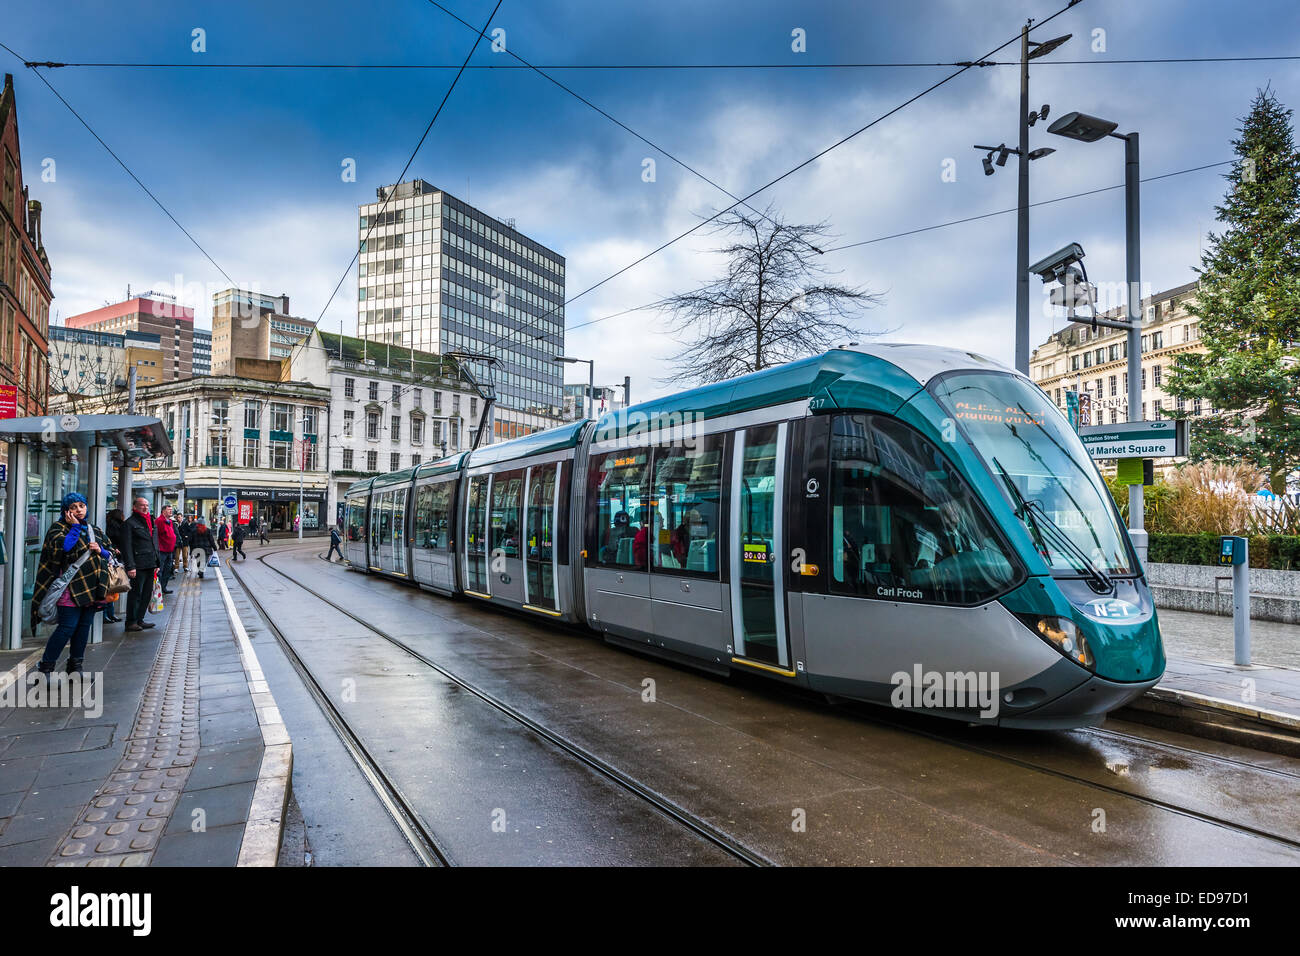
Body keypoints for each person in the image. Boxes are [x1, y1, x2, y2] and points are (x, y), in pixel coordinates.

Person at [31, 493, 118, 675]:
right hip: (69, 588)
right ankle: (45, 668)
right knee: (67, 627)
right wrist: (75, 528)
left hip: (92, 587)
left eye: (81, 505)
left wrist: (100, 550)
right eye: (73, 507)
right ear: (66, 511)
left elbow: (111, 554)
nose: (79, 510)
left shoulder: (94, 529)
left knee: (83, 627)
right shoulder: (58, 528)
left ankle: (75, 666)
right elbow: (64, 549)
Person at [121, 496, 159, 632]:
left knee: (146, 594)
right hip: (138, 565)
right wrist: (130, 566)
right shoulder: (129, 523)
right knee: (136, 594)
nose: (145, 508)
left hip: (150, 563)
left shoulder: (150, 522)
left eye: (147, 505)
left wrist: (157, 562)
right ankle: (131, 622)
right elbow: (126, 546)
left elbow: (154, 543)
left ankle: (140, 619)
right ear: (135, 507)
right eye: (142, 505)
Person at [104, 508, 128, 622]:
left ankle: (109, 613)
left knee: (111, 587)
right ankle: (108, 613)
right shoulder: (117, 527)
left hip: (113, 558)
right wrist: (115, 549)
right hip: (113, 558)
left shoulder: (109, 525)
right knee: (111, 587)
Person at [155, 504, 178, 595]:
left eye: (171, 510)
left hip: (169, 550)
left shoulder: (170, 522)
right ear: (163, 511)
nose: (171, 511)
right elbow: (156, 536)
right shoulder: (159, 521)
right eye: (169, 510)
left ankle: (163, 587)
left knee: (168, 570)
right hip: (162, 550)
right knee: (160, 570)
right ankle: (158, 588)